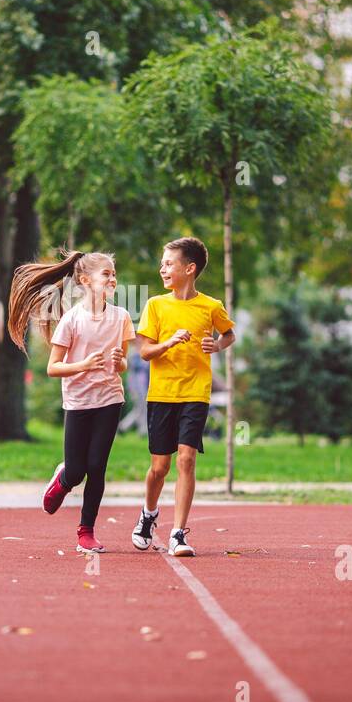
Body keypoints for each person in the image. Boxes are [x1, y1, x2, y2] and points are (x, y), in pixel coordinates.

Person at [7, 250, 134, 554]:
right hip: (78, 402)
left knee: (97, 467)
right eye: (106, 274)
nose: (113, 278)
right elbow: (53, 367)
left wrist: (119, 362)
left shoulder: (122, 317)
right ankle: (63, 479)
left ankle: (85, 531)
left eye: (114, 273)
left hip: (109, 399)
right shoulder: (71, 320)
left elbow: (124, 363)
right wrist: (83, 365)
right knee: (78, 470)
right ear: (85, 280)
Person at [132, 237, 236, 556]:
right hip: (162, 394)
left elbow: (229, 334)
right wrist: (169, 343)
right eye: (162, 263)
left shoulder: (211, 306)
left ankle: (178, 533)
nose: (162, 268)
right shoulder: (155, 306)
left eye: (168, 263)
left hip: (196, 392)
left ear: (189, 269)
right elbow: (145, 351)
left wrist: (217, 346)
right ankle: (149, 515)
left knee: (187, 459)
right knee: (160, 467)